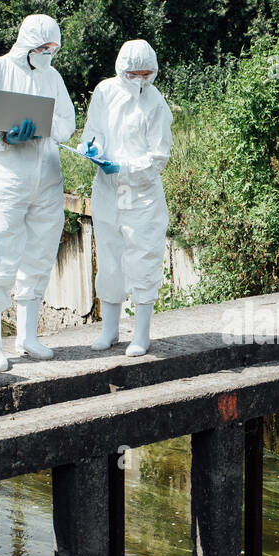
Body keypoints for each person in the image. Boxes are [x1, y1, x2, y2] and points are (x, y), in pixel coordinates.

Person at [0, 14, 76, 372]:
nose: (47, 54)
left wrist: (44, 129)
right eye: (42, 48)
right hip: (7, 179)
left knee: (40, 256)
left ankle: (27, 337)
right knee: (1, 255)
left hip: (47, 178)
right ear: (26, 43)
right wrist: (3, 138)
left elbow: (67, 123)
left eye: (53, 48)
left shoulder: (53, 77)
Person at [81, 39, 173, 357]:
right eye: (133, 74)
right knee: (109, 257)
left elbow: (158, 157)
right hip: (107, 189)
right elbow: (93, 130)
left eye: (146, 74)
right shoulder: (105, 92)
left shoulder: (156, 104)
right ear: (121, 70)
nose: (139, 80)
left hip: (142, 194)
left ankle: (142, 334)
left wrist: (125, 167)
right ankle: (109, 330)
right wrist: (92, 149)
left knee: (143, 258)